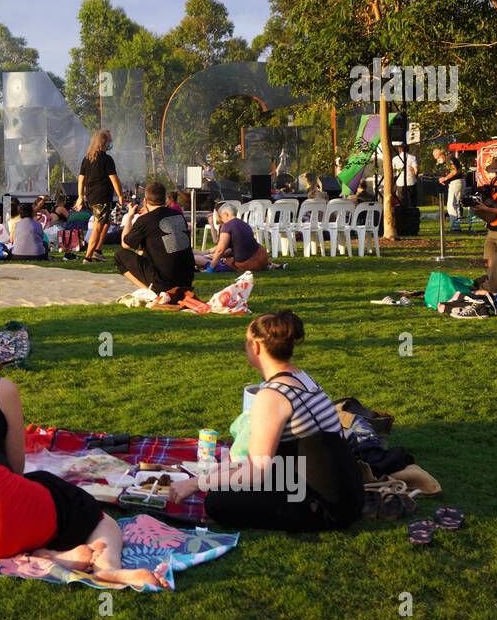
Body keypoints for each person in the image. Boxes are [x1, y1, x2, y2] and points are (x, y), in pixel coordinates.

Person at [0, 306, 170, 589]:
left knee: (28, 502)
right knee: (89, 514)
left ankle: (54, 556)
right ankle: (107, 567)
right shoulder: (0, 388)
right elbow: (15, 466)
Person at [170, 312, 363, 532]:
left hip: (323, 507)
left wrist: (195, 483)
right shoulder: (301, 377)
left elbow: (257, 471)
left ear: (257, 347)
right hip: (349, 494)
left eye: (247, 341)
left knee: (218, 501)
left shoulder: (273, 395)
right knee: (226, 483)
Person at [115, 181, 200, 305]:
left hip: (164, 282)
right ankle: (155, 288)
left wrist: (130, 217)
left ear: (145, 200)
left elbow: (125, 243)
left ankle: (151, 291)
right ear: (165, 199)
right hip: (186, 279)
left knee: (120, 255)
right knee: (144, 250)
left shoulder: (145, 220)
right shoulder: (178, 215)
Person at [75, 129, 122, 264]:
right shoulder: (106, 159)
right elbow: (114, 179)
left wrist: (80, 196)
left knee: (105, 223)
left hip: (92, 197)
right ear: (103, 143)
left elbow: (81, 180)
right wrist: (120, 195)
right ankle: (88, 257)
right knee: (98, 226)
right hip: (102, 197)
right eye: (109, 141)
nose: (110, 143)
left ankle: (97, 251)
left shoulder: (87, 159)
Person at [199, 203, 270, 272]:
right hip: (263, 258)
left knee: (224, 262)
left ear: (225, 214)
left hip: (247, 264)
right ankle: (271, 265)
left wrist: (211, 268)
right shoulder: (244, 224)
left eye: (221, 216)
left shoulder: (227, 226)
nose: (221, 219)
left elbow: (220, 250)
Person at [434, 147, 466, 232]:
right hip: (456, 182)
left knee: (452, 204)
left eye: (437, 158)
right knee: (455, 204)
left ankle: (455, 227)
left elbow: (454, 171)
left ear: (441, 155)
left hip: (456, 182)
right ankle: (456, 225)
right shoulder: (449, 159)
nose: (438, 160)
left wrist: (445, 178)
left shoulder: (449, 159)